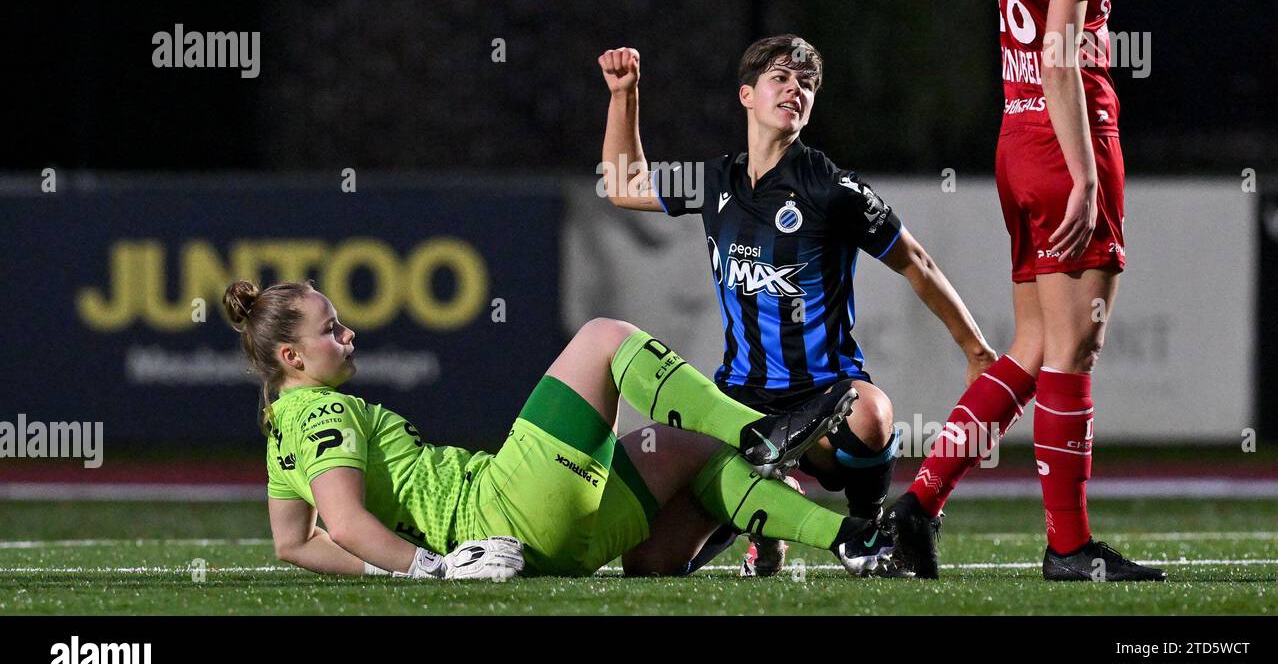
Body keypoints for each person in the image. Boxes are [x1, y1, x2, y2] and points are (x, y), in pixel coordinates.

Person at [885, 0, 1164, 581]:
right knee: (1076, 348)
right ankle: (1070, 547)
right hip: (1065, 139)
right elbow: (1061, 57)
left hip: (1017, 142)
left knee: (1037, 345)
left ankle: (919, 501)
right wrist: (1084, 171)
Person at [598, 36, 997, 575]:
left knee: (873, 413)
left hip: (825, 400)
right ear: (747, 95)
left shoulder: (832, 188)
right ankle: (768, 510)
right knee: (651, 564)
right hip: (740, 405)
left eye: (806, 84)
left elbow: (915, 262)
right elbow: (623, 184)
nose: (796, 89)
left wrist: (975, 349)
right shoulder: (716, 180)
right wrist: (625, 93)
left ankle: (870, 527)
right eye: (781, 78)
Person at [223, 278, 891, 580]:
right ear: (292, 357)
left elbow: (294, 543)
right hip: (499, 511)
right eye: (331, 329)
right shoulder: (326, 411)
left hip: (549, 552)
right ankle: (762, 434)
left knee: (682, 459)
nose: (348, 333)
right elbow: (341, 523)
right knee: (605, 337)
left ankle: (850, 538)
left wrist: (404, 569)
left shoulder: (282, 427)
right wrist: (432, 566)